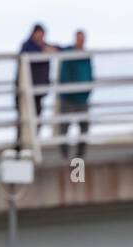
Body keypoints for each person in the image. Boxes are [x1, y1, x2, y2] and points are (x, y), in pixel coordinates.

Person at [15, 23, 57, 147]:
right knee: (23, 120)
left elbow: (58, 48)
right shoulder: (27, 46)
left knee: (37, 120)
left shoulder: (43, 45)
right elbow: (28, 53)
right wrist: (44, 51)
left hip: (38, 91)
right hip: (24, 90)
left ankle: (33, 144)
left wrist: (46, 49)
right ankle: (20, 147)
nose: (41, 37)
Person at [55, 30, 92, 161]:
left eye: (83, 39)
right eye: (79, 38)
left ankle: (80, 156)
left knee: (84, 127)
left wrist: (88, 90)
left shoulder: (86, 55)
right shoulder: (68, 53)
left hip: (83, 98)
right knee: (64, 127)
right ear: (75, 39)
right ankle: (65, 155)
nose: (81, 41)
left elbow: (90, 74)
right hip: (68, 98)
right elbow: (63, 75)